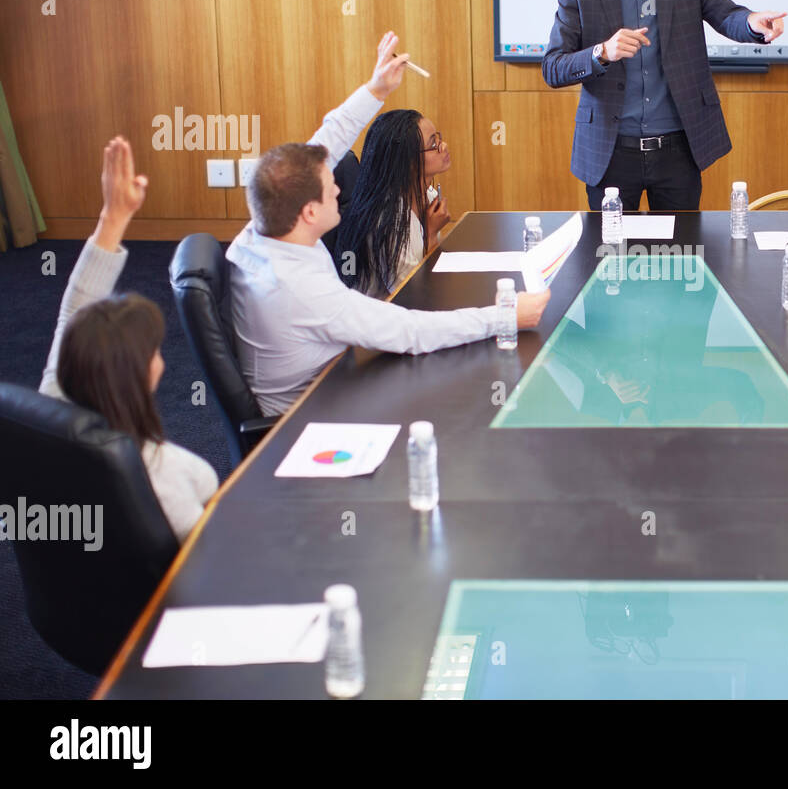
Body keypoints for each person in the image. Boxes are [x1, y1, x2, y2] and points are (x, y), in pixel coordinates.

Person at [227, 32, 549, 416]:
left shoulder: (264, 225)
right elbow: (412, 332)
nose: (340, 188)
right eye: (331, 188)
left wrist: (376, 88)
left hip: (337, 370)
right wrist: (504, 316)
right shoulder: (306, 293)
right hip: (312, 413)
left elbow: (330, 135)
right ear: (310, 212)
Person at [542, 0, 788, 212]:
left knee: (680, 256)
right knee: (609, 260)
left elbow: (725, 13)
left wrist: (751, 22)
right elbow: (553, 67)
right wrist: (602, 52)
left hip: (677, 150)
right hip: (610, 152)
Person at [39, 137, 218, 543]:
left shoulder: (43, 413)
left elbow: (74, 310)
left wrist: (113, 217)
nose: (163, 361)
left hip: (66, 604)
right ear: (137, 375)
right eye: (155, 351)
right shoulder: (168, 475)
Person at [331, 109, 452, 297]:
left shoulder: (426, 194)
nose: (443, 146)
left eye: (438, 139)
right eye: (433, 144)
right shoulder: (387, 217)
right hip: (378, 318)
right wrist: (431, 233)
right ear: (408, 161)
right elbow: (411, 295)